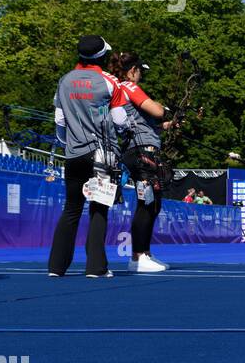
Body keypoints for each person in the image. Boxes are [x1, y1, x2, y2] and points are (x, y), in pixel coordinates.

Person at [48, 36, 129, 278]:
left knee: (71, 208)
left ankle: (56, 267)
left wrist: (69, 143)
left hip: (74, 154)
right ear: (101, 56)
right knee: (99, 208)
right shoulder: (109, 82)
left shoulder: (64, 81)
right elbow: (120, 121)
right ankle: (96, 267)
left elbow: (59, 122)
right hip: (102, 155)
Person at [108, 52, 171, 273]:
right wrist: (163, 109)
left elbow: (149, 123)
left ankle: (144, 254)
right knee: (148, 203)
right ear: (133, 70)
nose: (141, 75)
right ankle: (138, 256)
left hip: (138, 148)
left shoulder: (119, 89)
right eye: (140, 71)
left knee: (152, 202)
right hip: (142, 151)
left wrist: (170, 124)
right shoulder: (129, 86)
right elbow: (157, 110)